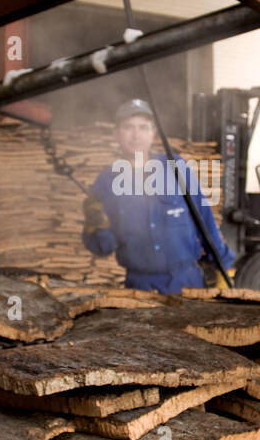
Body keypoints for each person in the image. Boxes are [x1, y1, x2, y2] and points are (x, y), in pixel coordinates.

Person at [82, 98, 236, 294]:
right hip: (140, 287)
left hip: (187, 283)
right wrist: (95, 226)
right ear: (116, 134)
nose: (135, 135)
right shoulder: (106, 182)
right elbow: (103, 248)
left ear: (153, 133)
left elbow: (204, 220)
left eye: (143, 127)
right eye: (128, 127)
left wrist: (225, 267)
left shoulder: (175, 168)